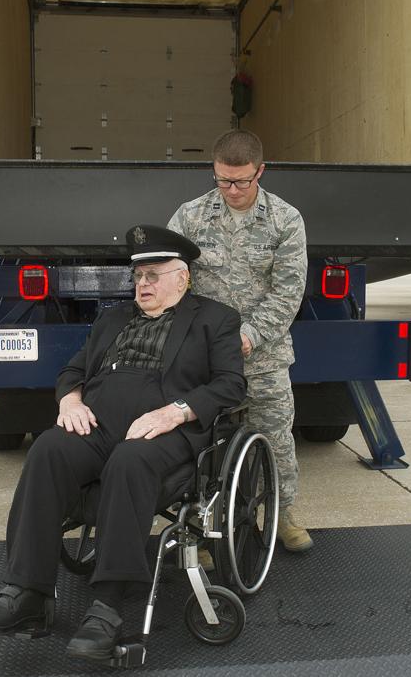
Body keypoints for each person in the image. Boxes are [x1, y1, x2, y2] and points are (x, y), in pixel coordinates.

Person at [0, 225, 245, 664]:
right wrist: (70, 398)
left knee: (129, 463)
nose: (143, 285)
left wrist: (176, 411)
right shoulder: (114, 318)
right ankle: (26, 592)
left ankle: (107, 608)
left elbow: (231, 385)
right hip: (99, 422)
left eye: (153, 275)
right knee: (47, 451)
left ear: (182, 277)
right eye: (138, 277)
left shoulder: (216, 319)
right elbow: (71, 371)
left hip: (162, 430)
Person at [168, 128, 312, 555]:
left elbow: (288, 293)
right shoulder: (190, 217)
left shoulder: (286, 220)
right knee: (201, 446)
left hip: (264, 360)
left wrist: (247, 336)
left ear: (260, 172)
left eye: (241, 181)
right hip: (206, 364)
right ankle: (201, 525)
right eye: (222, 180)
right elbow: (175, 282)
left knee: (276, 440)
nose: (231, 190)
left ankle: (282, 515)